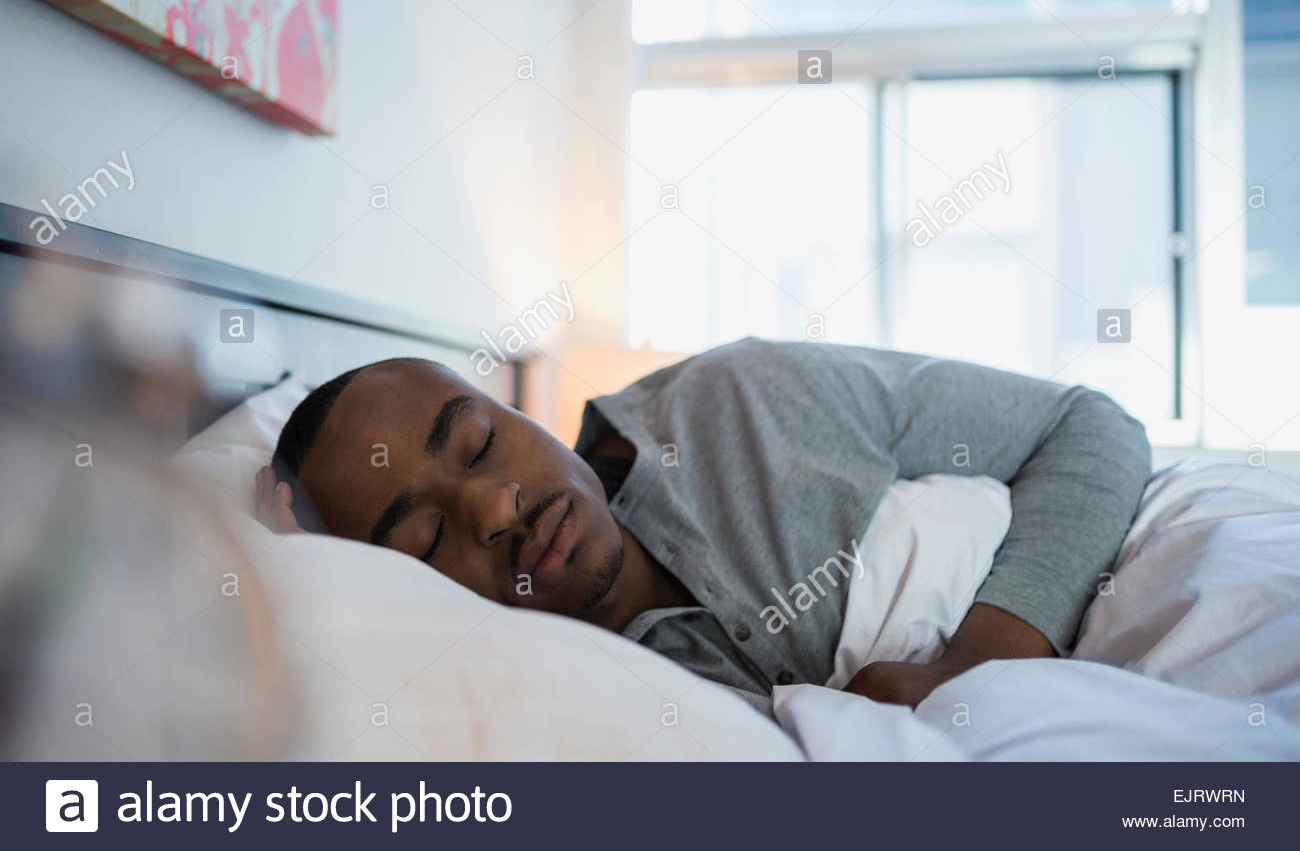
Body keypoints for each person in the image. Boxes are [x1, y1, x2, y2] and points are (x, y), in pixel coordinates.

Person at [255, 338, 1151, 712]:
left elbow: (1085, 424)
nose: (494, 506)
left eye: (483, 441)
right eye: (424, 542)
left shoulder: (743, 401)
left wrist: (978, 661)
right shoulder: (546, 707)